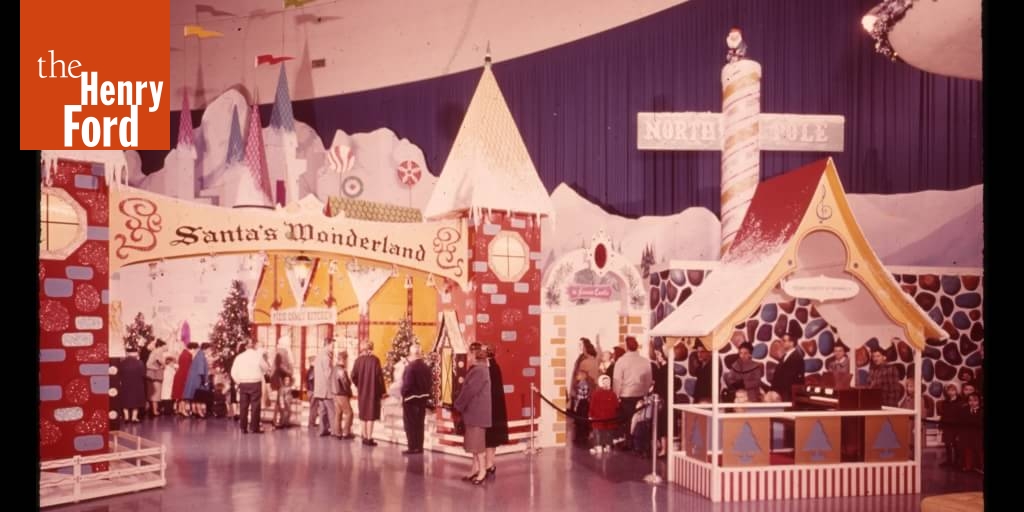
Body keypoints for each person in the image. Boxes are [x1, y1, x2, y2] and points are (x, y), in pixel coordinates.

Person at [454, 345, 492, 485]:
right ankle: (475, 469)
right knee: (474, 445)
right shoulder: (481, 369)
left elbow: (469, 391)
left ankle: (482, 471)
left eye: (470, 353)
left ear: (475, 354)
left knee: (478, 446)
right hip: (474, 413)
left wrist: (458, 405)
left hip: (477, 414)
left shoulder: (479, 371)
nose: (468, 356)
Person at [613, 336, 652, 449]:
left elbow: (617, 381)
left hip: (626, 395)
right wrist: (644, 393)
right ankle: (638, 444)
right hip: (640, 396)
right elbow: (648, 380)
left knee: (626, 421)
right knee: (639, 421)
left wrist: (616, 396)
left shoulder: (621, 361)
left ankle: (627, 442)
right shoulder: (645, 361)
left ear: (626, 346)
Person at [230, 342, 271, 434]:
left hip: (243, 383)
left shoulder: (239, 357)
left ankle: (243, 427)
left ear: (245, 347)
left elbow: (233, 372)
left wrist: (238, 382)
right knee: (255, 406)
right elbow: (265, 367)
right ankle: (254, 427)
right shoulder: (257, 356)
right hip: (255, 382)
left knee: (243, 406)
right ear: (253, 347)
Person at [350, 340, 385, 446]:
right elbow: (379, 378)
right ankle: (369, 438)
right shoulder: (375, 360)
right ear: (371, 348)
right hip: (373, 392)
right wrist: (382, 392)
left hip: (362, 391)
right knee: (370, 415)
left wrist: (358, 384)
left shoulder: (358, 360)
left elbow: (353, 376)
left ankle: (364, 436)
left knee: (363, 414)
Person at [400, 344, 432, 454]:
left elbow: (407, 385)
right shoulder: (426, 367)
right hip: (422, 399)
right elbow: (430, 383)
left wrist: (403, 393)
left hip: (410, 400)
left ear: (412, 354)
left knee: (410, 424)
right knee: (419, 424)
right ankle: (419, 447)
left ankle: (412, 447)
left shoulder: (410, 367)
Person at [484, 344, 509, 478]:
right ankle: (490, 463)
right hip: (496, 407)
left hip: (490, 407)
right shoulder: (496, 367)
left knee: (490, 438)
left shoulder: (488, 368)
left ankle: (489, 464)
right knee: (492, 439)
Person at [589, 374, 619, 454]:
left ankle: (603, 446)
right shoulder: (609, 394)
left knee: (604, 432)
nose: (606, 384)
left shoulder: (610, 394)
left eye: (608, 382)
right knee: (603, 432)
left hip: (604, 417)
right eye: (605, 382)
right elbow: (616, 406)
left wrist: (591, 415)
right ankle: (603, 445)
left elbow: (616, 406)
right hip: (604, 417)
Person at [313, 339, 337, 437]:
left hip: (319, 388)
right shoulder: (326, 357)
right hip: (326, 389)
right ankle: (335, 431)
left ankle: (322, 430)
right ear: (327, 345)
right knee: (332, 411)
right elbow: (328, 374)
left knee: (322, 410)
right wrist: (334, 368)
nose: (333, 348)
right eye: (332, 346)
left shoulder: (318, 355)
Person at [770, 334, 804, 402]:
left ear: (791, 343)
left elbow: (790, 377)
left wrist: (777, 391)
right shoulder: (785, 356)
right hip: (782, 392)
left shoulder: (797, 357)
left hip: (789, 393)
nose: (782, 343)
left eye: (784, 341)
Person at [270, 339, 295, 429]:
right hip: (278, 380)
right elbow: (280, 366)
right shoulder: (281, 353)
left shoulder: (279, 352)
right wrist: (289, 372)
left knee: (279, 401)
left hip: (278, 379)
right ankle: (278, 421)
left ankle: (279, 420)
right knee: (279, 401)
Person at [183, 342, 210, 418]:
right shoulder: (201, 355)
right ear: (206, 348)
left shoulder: (199, 354)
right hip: (198, 379)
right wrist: (203, 381)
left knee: (195, 396)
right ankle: (200, 413)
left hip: (194, 378)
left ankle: (195, 411)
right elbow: (201, 369)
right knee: (199, 397)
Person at [117, 350, 146, 423]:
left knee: (125, 401)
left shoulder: (122, 363)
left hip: (125, 384)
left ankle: (126, 417)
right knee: (136, 402)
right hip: (137, 384)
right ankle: (134, 417)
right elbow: (143, 374)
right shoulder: (140, 363)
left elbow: (118, 374)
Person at [332, 350, 355, 439]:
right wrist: (349, 391)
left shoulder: (334, 369)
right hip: (342, 394)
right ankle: (346, 432)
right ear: (344, 359)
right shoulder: (341, 370)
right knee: (349, 413)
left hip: (335, 393)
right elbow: (345, 383)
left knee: (338, 413)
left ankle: (338, 433)